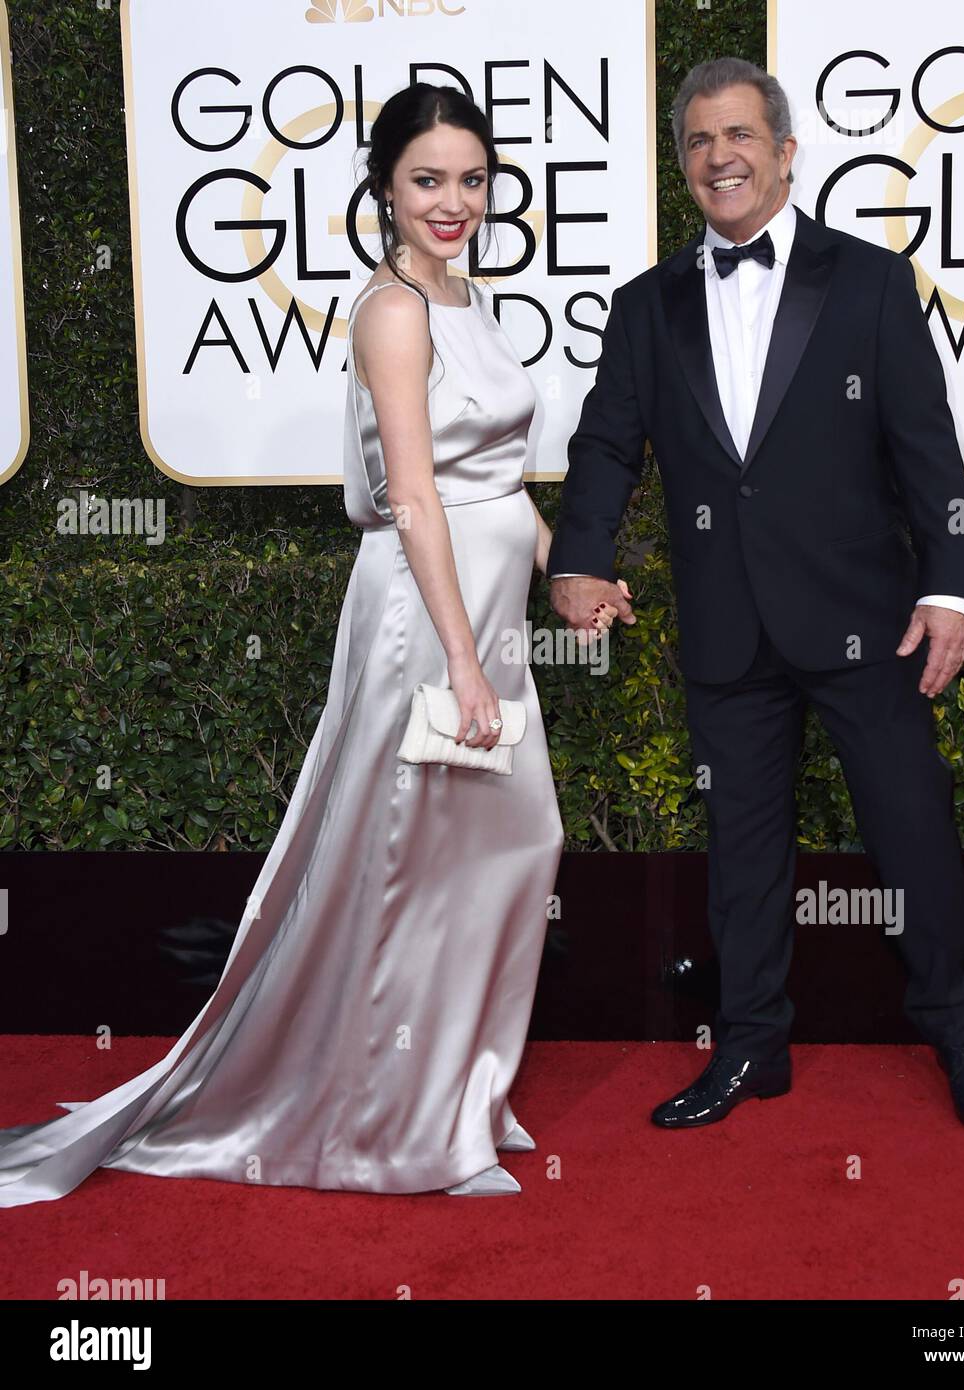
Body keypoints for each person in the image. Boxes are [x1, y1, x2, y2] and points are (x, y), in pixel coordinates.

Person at [0, 83, 575, 1206]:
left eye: (470, 178)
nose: (452, 201)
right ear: (383, 189)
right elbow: (412, 496)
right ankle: (397, 1130)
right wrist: (459, 661)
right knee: (416, 866)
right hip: (428, 616)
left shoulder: (465, 293)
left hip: (488, 618)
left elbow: (493, 474)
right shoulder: (394, 309)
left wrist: (560, 563)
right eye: (426, 180)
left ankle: (460, 1089)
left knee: (502, 851)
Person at [547, 57, 964, 1136]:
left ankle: (960, 1038)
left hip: (867, 618)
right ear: (680, 164)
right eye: (700, 141)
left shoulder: (866, 281)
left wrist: (949, 587)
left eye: (740, 136)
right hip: (726, 627)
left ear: (785, 150)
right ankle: (750, 1047)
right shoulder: (645, 305)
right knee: (740, 855)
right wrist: (577, 556)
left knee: (911, 836)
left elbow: (926, 452)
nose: (721, 156)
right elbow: (608, 443)